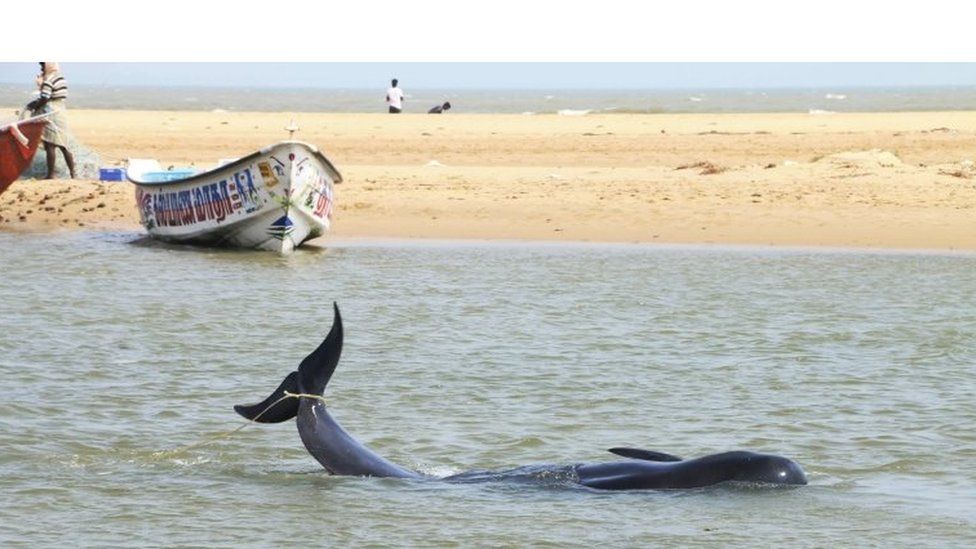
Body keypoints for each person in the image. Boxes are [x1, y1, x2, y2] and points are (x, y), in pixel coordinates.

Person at [26, 62, 76, 179]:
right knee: (64, 145)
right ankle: (73, 173)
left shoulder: (49, 79)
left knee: (50, 145)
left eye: (43, 66)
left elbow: (45, 97)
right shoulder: (60, 77)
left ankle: (50, 174)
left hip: (51, 111)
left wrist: (34, 106)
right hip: (60, 111)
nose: (41, 68)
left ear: (48, 66)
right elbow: (55, 94)